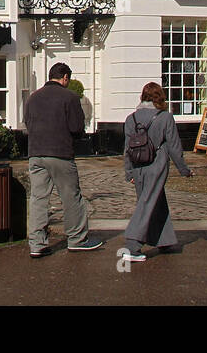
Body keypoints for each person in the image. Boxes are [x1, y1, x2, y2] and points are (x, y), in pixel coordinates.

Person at [23, 62, 103, 257]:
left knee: (38, 199)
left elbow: (27, 123)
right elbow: (76, 127)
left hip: (35, 153)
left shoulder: (33, 98)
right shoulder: (70, 97)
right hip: (60, 153)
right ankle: (76, 239)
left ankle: (37, 244)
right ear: (65, 78)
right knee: (71, 197)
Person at [121, 82, 192, 262]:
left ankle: (164, 240)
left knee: (155, 201)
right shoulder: (165, 117)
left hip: (137, 165)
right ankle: (132, 246)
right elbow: (175, 147)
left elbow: (126, 148)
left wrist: (129, 171)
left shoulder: (131, 118)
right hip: (157, 165)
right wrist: (184, 170)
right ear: (160, 97)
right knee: (147, 202)